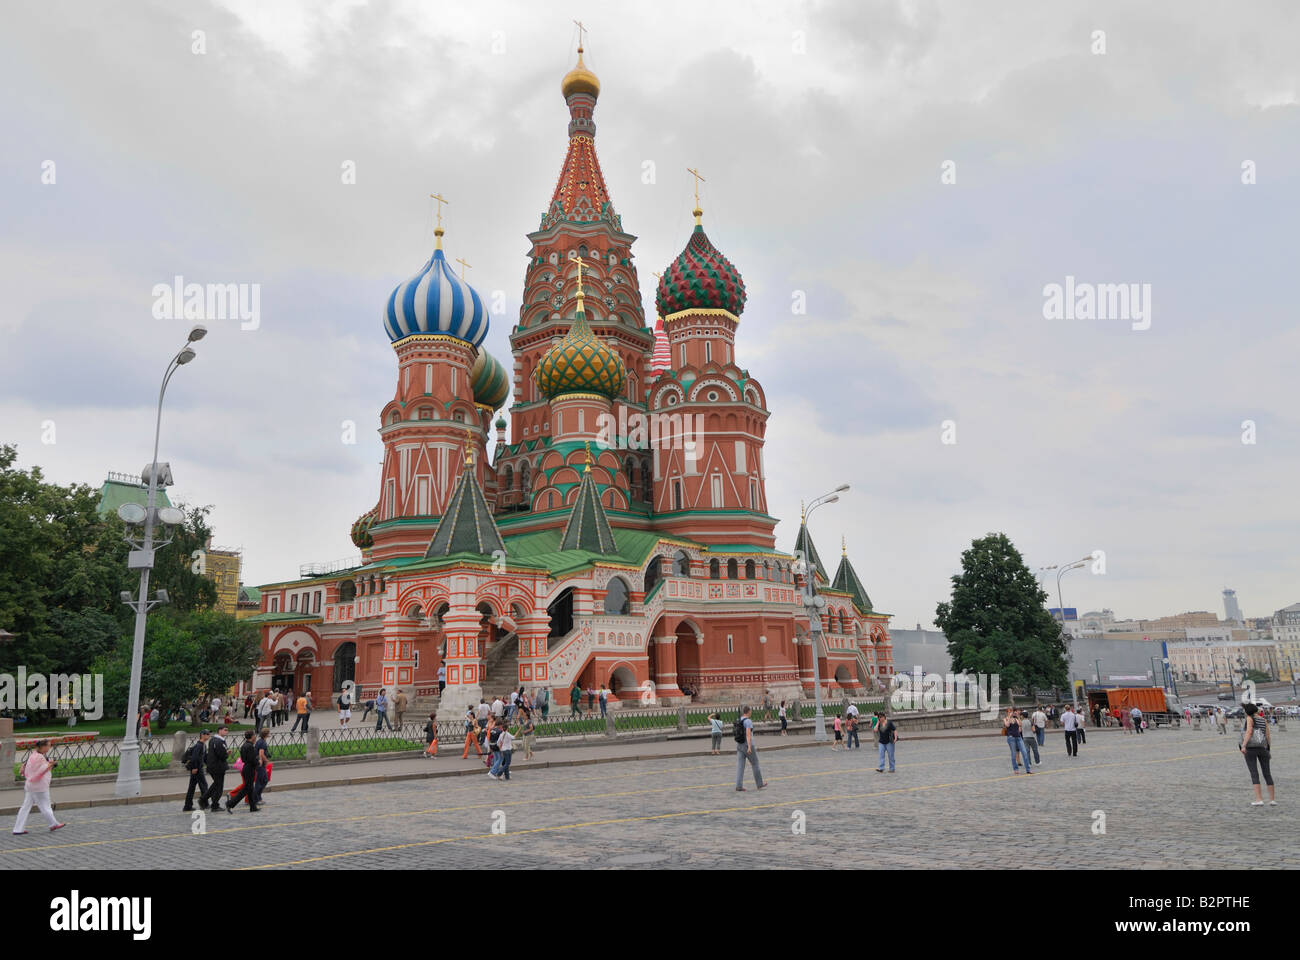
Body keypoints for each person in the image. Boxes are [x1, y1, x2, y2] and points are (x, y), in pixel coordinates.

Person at [12, 740, 66, 834]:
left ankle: (18, 829)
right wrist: (51, 764)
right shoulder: (39, 757)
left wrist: (49, 764)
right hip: (39, 786)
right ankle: (53, 824)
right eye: (48, 746)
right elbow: (41, 770)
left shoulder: (34, 755)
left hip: (31, 786)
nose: (49, 748)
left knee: (25, 807)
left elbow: (35, 767)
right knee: (45, 805)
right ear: (43, 747)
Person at [1240, 702, 1276, 806]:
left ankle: (1259, 799)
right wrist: (1268, 750)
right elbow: (1268, 736)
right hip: (1262, 748)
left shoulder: (1250, 718)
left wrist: (1243, 745)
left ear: (1247, 711)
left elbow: (1249, 732)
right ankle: (1272, 800)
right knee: (1267, 773)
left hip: (1251, 748)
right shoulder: (1263, 720)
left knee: (1254, 773)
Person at [225, 731, 260, 813]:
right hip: (249, 769)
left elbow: (244, 758)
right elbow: (252, 759)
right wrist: (258, 762)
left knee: (250, 788)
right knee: (246, 789)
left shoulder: (244, 745)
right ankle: (230, 803)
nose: (255, 736)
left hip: (246, 767)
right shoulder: (250, 746)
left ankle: (253, 806)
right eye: (254, 735)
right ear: (252, 737)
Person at [734, 706, 766, 791]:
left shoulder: (740, 719)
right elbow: (748, 734)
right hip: (747, 745)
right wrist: (749, 746)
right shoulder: (748, 721)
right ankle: (759, 784)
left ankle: (738, 786)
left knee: (740, 766)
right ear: (748, 712)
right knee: (755, 763)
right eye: (750, 711)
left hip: (739, 745)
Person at [182, 730, 210, 812]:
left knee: (192, 787)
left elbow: (204, 758)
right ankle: (204, 803)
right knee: (204, 785)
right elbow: (195, 758)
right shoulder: (199, 745)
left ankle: (187, 806)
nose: (209, 735)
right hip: (197, 769)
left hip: (197, 768)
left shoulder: (203, 745)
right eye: (207, 734)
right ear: (202, 735)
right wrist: (194, 768)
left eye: (209, 734)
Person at [203, 726, 230, 810]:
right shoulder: (218, 741)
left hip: (213, 766)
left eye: (227, 730)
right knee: (218, 787)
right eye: (225, 730)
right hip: (218, 767)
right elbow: (222, 755)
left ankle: (208, 800)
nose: (227, 732)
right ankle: (211, 802)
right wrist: (227, 753)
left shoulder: (213, 740)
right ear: (219, 731)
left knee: (216, 785)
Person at [1005, 709, 1033, 774]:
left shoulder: (1016, 719)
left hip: (1018, 737)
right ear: (1007, 713)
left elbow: (1020, 724)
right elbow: (1007, 725)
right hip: (1011, 738)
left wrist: (1018, 717)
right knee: (1013, 754)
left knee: (1024, 752)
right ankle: (1016, 769)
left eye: (1011, 711)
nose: (1011, 713)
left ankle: (1028, 769)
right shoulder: (1006, 719)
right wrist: (1009, 717)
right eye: (1009, 712)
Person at [252, 727, 271, 805]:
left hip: (259, 764)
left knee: (260, 781)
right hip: (260, 764)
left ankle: (257, 797)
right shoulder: (262, 742)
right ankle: (256, 798)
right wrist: (266, 760)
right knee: (262, 780)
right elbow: (261, 753)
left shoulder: (260, 741)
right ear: (266, 734)